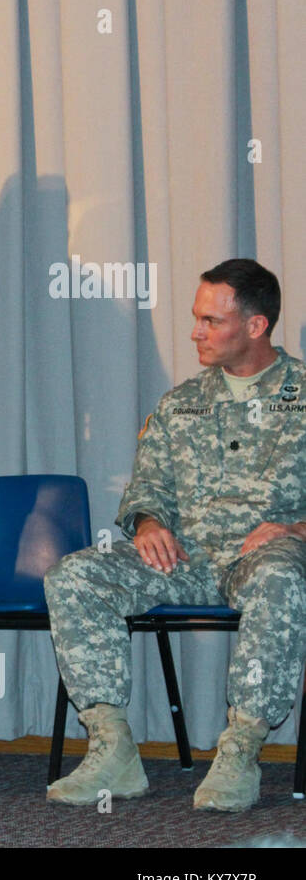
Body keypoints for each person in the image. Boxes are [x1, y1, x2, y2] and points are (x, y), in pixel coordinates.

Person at [45, 259, 306, 811]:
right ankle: (112, 748)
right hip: (185, 557)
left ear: (256, 326)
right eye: (196, 319)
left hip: (264, 557)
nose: (196, 332)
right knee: (75, 575)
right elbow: (147, 489)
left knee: (279, 575)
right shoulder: (180, 403)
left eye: (211, 321)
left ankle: (241, 751)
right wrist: (149, 523)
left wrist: (295, 527)